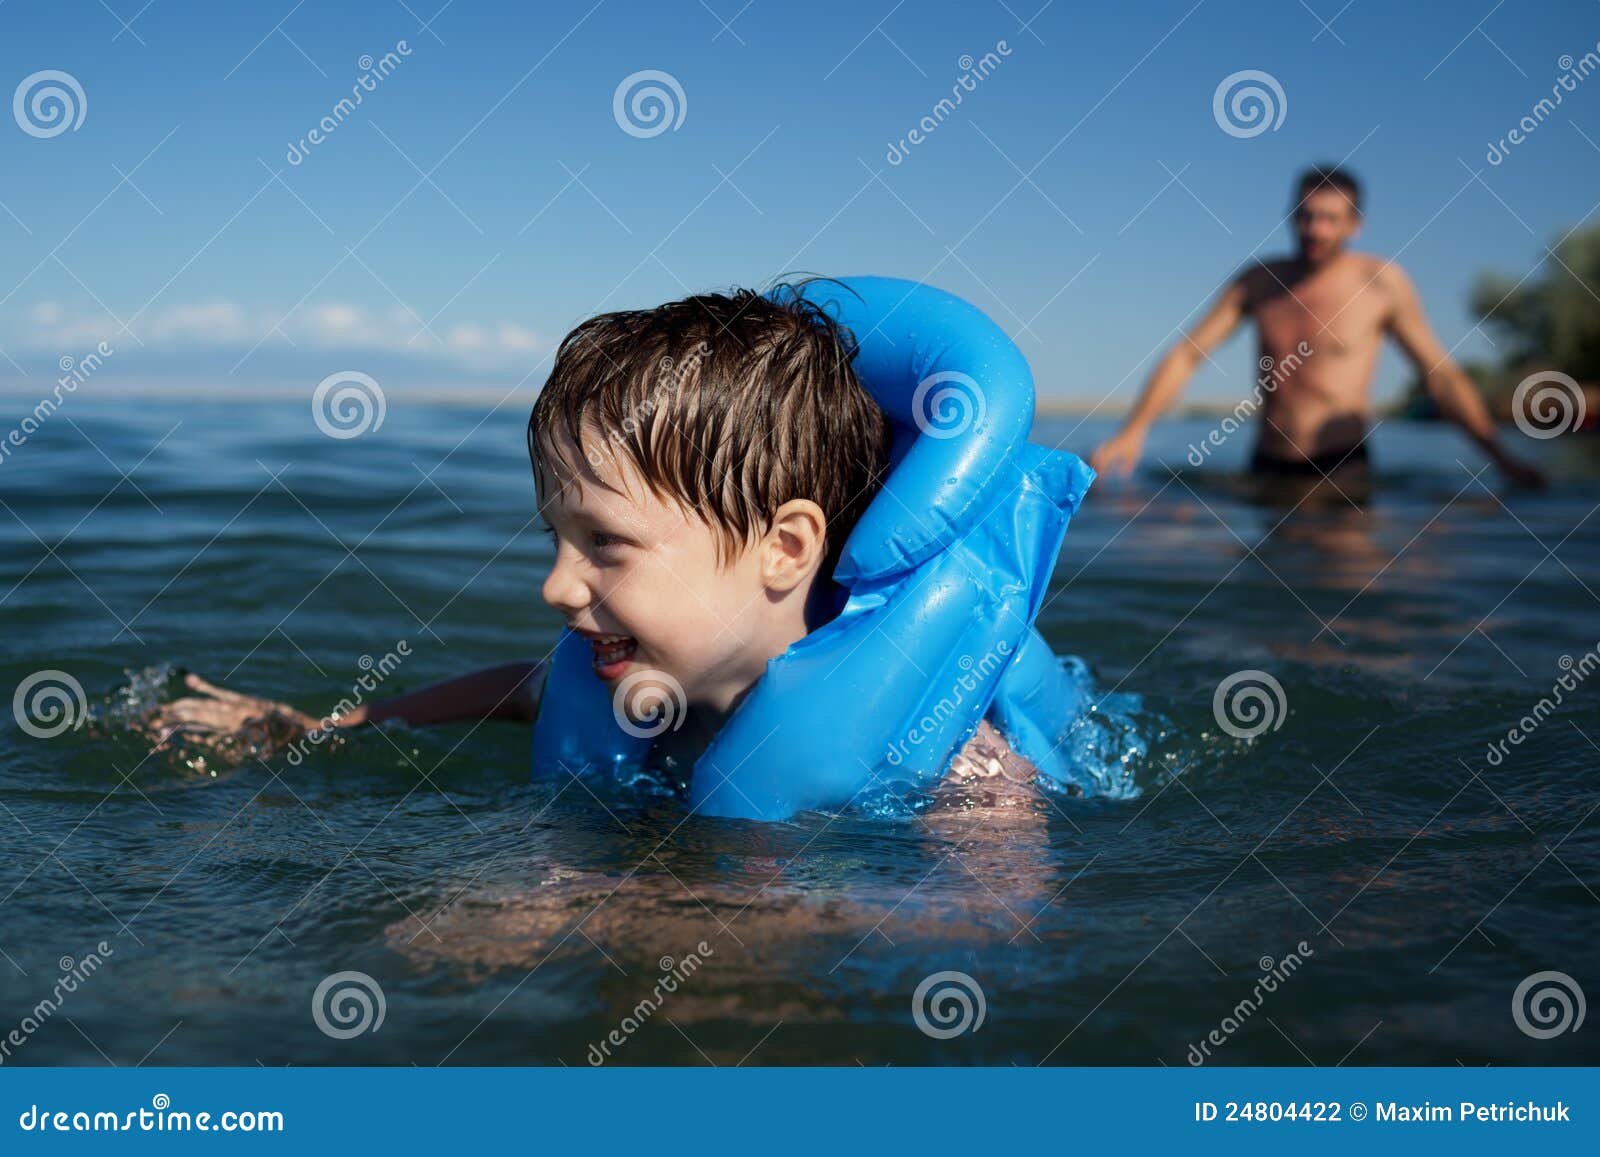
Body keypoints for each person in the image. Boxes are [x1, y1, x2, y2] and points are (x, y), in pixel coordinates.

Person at [142, 285, 1038, 795]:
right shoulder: (636, 676)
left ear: (786, 547)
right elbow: (522, 689)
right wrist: (323, 728)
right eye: (556, 540)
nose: (556, 587)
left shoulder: (961, 765)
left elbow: (995, 924)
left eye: (604, 545)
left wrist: (661, 908)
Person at [1089, 165, 1544, 489]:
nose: (1316, 229)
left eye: (1330, 218)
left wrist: (1501, 458)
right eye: (1306, 216)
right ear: (1292, 216)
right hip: (1266, 468)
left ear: (1355, 225)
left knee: (1342, 597)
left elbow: (1440, 375)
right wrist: (1133, 432)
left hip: (1342, 470)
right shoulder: (1258, 283)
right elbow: (1188, 355)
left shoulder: (1381, 284)